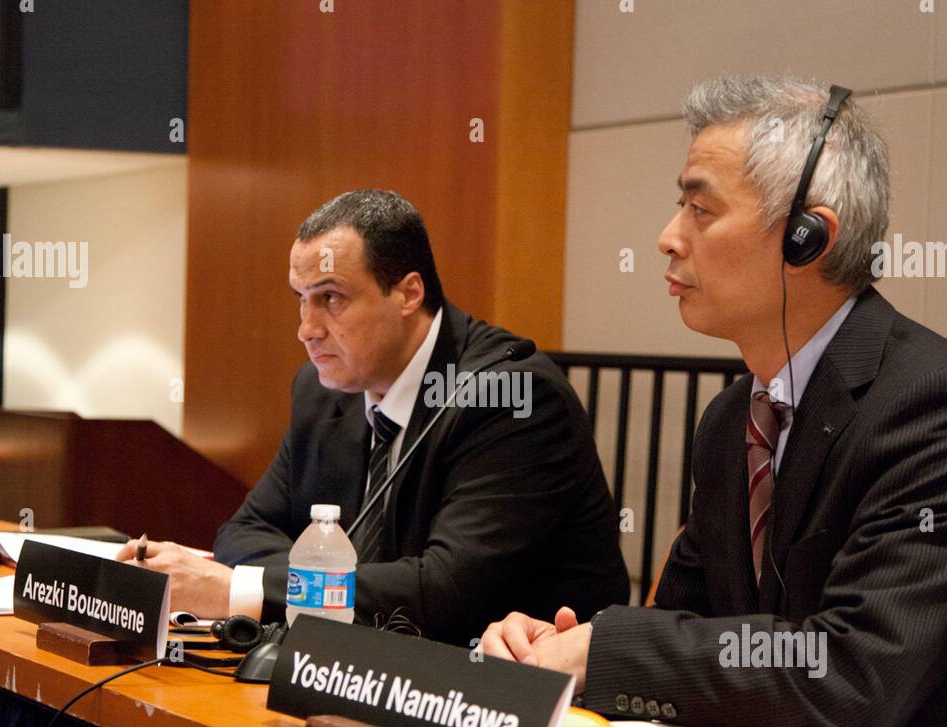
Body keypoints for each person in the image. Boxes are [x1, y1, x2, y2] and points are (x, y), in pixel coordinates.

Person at [481, 76, 947, 727]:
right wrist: (562, 645)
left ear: (807, 237)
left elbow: (856, 675)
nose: (666, 238)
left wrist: (608, 650)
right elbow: (688, 626)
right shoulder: (731, 419)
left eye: (699, 209)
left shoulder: (941, 406)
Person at [118, 189, 629, 647]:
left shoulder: (510, 395)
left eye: (331, 298)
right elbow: (245, 532)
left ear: (408, 293)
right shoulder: (323, 394)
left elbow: (447, 592)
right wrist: (349, 589)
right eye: (301, 300)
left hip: (526, 705)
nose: (306, 330)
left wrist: (240, 590)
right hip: (362, 671)